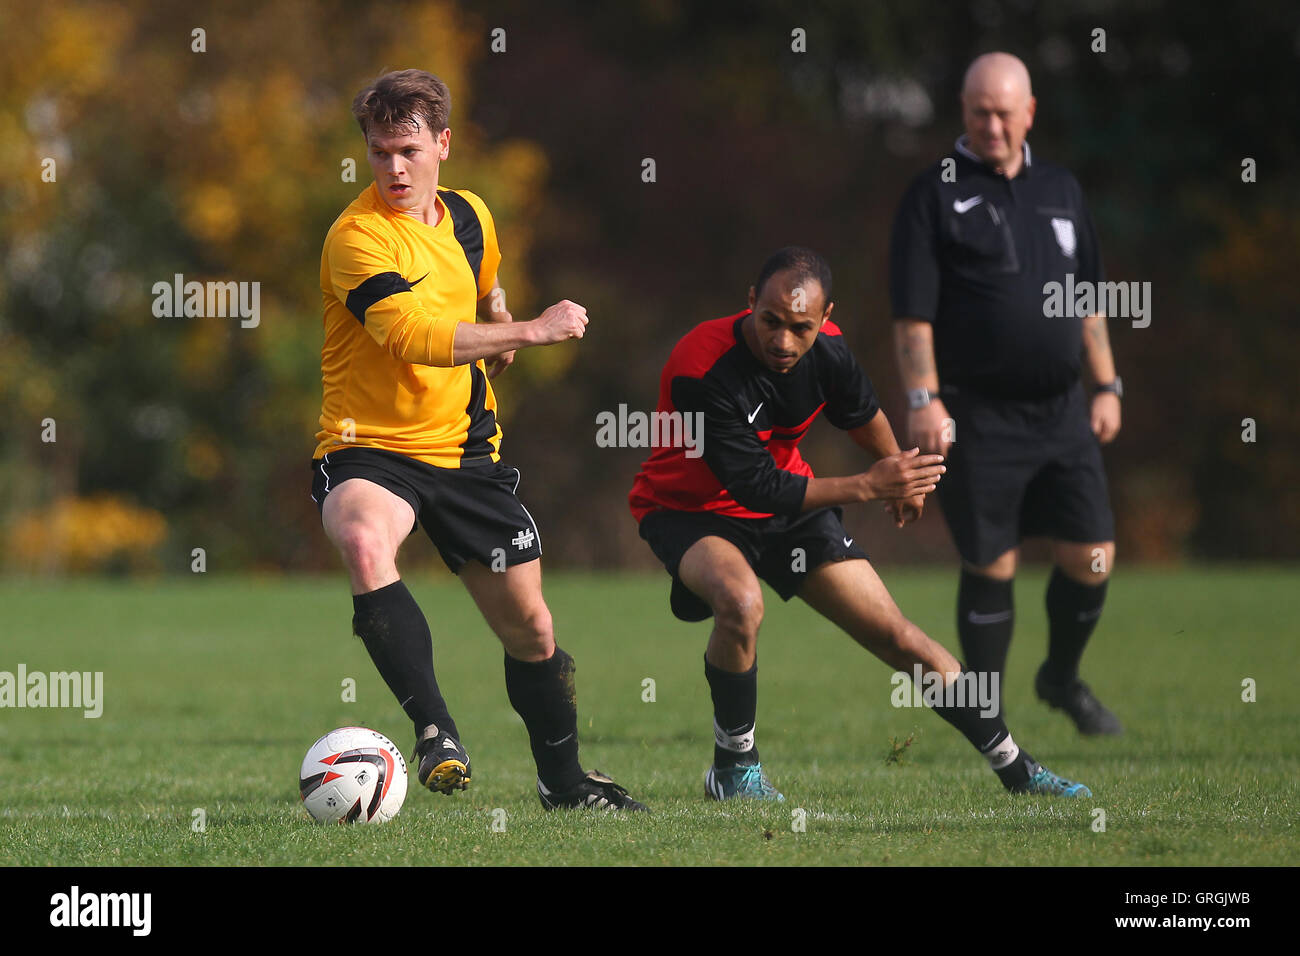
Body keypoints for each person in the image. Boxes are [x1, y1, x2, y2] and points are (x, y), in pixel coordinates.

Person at [629, 246, 1091, 800]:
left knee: (899, 637)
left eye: (800, 327)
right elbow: (755, 487)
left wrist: (902, 475)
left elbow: (862, 413)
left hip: (790, 509)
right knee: (741, 603)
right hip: (690, 509)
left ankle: (1019, 771)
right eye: (770, 321)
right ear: (751, 302)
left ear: (824, 319)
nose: (782, 341)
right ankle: (733, 769)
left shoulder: (829, 352)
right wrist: (871, 486)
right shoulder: (701, 365)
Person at [311, 69, 646, 811]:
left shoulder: (468, 216)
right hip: (367, 447)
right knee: (366, 542)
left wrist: (497, 313)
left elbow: (482, 279)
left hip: (464, 452)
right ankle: (436, 733)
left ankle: (564, 784)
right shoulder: (356, 236)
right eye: (378, 153)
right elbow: (406, 334)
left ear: (443, 144)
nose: (393, 169)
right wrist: (530, 330)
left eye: (407, 150)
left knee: (532, 628)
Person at [889, 52, 1123, 734]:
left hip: (1062, 409)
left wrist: (1106, 384)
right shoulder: (933, 193)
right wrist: (923, 398)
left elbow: (1089, 298)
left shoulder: (1061, 189)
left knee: (1092, 555)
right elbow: (913, 315)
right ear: (963, 112)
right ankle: (988, 716)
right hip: (976, 412)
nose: (991, 125)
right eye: (978, 112)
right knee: (992, 559)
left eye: (1003, 112)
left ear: (1029, 113)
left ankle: (1060, 677)